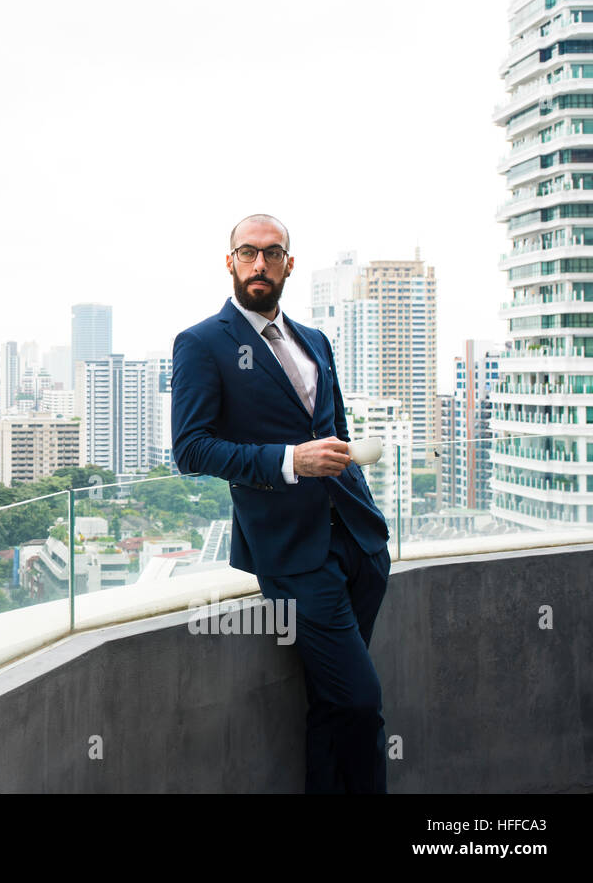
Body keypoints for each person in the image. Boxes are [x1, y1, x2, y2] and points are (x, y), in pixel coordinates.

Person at [170, 213, 392, 793]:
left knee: (333, 704)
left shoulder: (315, 340)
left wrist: (365, 511)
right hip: (293, 555)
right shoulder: (202, 344)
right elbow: (191, 449)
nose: (259, 263)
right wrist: (291, 461)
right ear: (230, 262)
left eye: (272, 253)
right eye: (248, 252)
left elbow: (335, 430)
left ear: (289, 264)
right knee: (362, 702)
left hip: (360, 543)